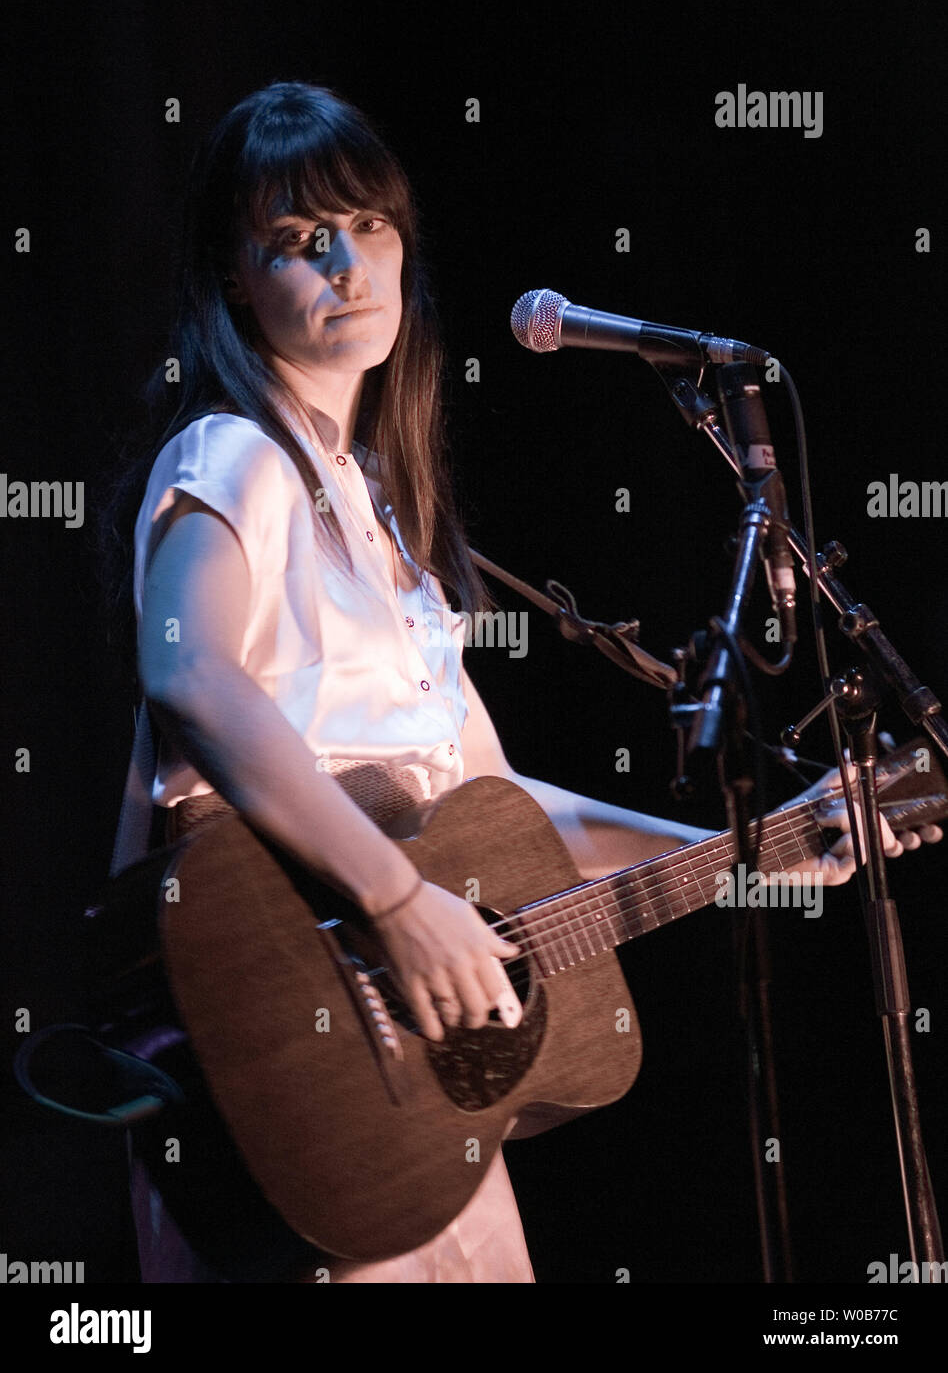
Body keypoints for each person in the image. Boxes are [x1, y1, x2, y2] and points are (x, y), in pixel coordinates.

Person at [104, 80, 938, 1283]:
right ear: (238, 280)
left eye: (369, 226)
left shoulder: (387, 520)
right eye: (298, 241)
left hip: (416, 1098)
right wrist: (398, 901)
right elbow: (187, 673)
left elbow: (503, 813)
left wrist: (755, 844)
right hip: (301, 1054)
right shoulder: (233, 453)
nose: (347, 263)